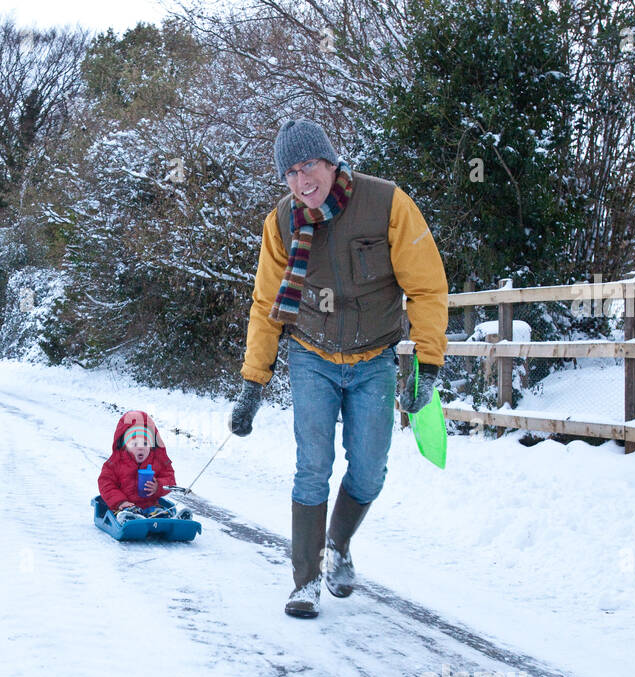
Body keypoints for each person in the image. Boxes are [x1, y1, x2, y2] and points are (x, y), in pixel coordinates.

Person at [228, 119, 448, 618]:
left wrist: (427, 365)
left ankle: (339, 545)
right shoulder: (281, 224)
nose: (302, 180)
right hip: (312, 355)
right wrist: (252, 384)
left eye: (309, 166)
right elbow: (267, 305)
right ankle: (305, 581)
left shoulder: (387, 205)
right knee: (313, 468)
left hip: (374, 357)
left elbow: (428, 287)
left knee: (369, 471)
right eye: (290, 172)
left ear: (330, 162)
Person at [98, 411, 178, 519]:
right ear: (125, 446)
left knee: (159, 511)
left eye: (145, 443)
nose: (140, 447)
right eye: (134, 443)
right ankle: (129, 518)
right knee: (127, 513)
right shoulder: (115, 463)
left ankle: (165, 518)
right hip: (124, 506)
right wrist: (120, 502)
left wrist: (158, 486)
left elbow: (170, 479)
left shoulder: (157, 461)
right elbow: (106, 483)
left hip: (150, 505)